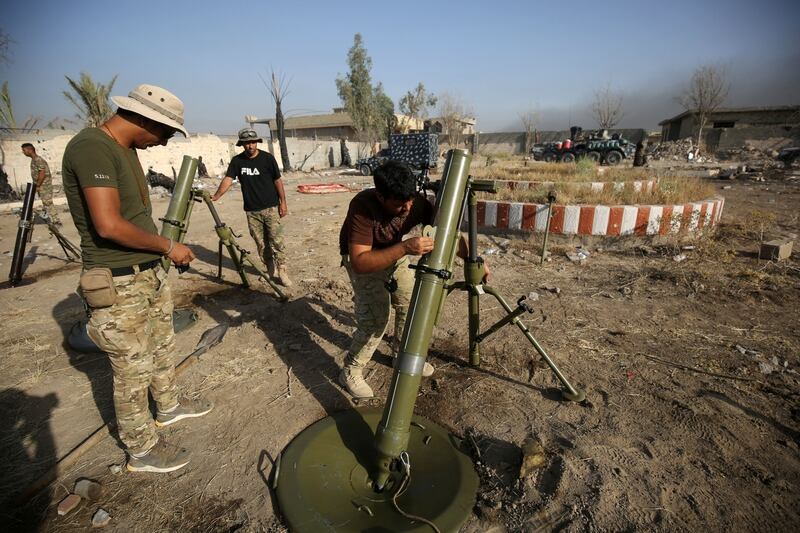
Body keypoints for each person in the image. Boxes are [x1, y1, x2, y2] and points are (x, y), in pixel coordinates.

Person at [61, 83, 213, 473]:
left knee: (162, 348)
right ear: (145, 119)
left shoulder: (123, 149)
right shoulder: (92, 147)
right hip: (117, 279)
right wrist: (167, 246)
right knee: (132, 369)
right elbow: (109, 225)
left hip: (145, 274)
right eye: (164, 132)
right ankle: (141, 449)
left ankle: (169, 407)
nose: (163, 143)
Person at [338, 161, 489, 398]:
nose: (407, 208)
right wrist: (406, 247)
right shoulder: (362, 207)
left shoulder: (414, 202)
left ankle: (401, 355)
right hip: (366, 260)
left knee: (410, 304)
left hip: (396, 252)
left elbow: (447, 234)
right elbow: (360, 261)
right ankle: (351, 369)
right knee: (376, 320)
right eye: (399, 204)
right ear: (380, 196)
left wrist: (474, 259)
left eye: (410, 200)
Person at [211, 128, 291, 287]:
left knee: (277, 241)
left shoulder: (268, 159)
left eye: (253, 142)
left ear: (257, 142)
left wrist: (283, 202)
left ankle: (283, 271)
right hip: (252, 211)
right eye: (247, 143)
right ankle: (269, 269)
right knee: (261, 244)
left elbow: (277, 181)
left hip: (271, 208)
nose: (250, 146)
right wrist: (217, 195)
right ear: (242, 144)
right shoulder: (237, 162)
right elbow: (228, 179)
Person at [21, 143, 61, 224]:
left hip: (44, 185)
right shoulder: (34, 160)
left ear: (30, 150)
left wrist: (38, 185)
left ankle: (56, 220)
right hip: (41, 185)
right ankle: (46, 218)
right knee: (45, 201)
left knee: (47, 202)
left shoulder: (38, 160)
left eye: (24, 150)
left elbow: (42, 173)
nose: (23, 152)